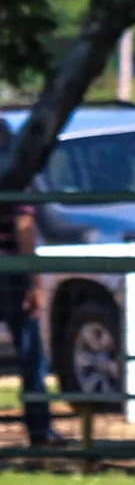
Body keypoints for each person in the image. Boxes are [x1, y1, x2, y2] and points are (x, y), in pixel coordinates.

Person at [0, 141, 56, 447]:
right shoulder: (16, 179)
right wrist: (34, 282)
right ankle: (40, 430)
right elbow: (24, 226)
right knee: (31, 355)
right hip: (10, 271)